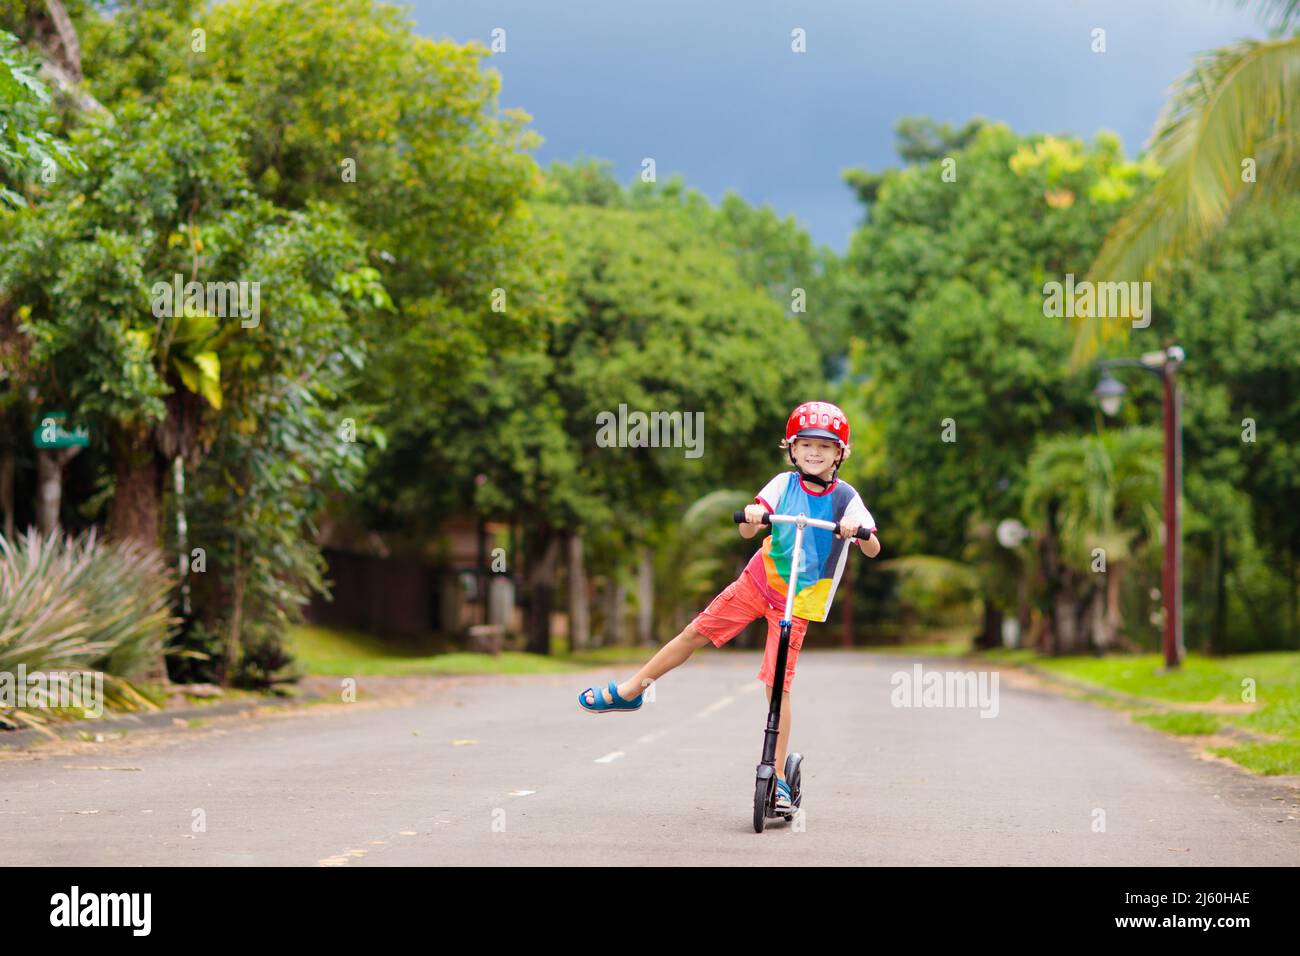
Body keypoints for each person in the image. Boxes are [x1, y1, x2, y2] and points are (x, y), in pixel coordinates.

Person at [577, 401, 881, 812]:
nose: (814, 452)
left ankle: (776, 777)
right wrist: (755, 516)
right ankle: (632, 690)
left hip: (799, 601)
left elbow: (873, 547)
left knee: (778, 687)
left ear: (840, 453)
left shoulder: (847, 497)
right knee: (695, 632)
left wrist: (856, 531)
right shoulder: (781, 485)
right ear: (791, 449)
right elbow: (745, 530)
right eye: (806, 444)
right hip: (759, 580)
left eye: (825, 447)